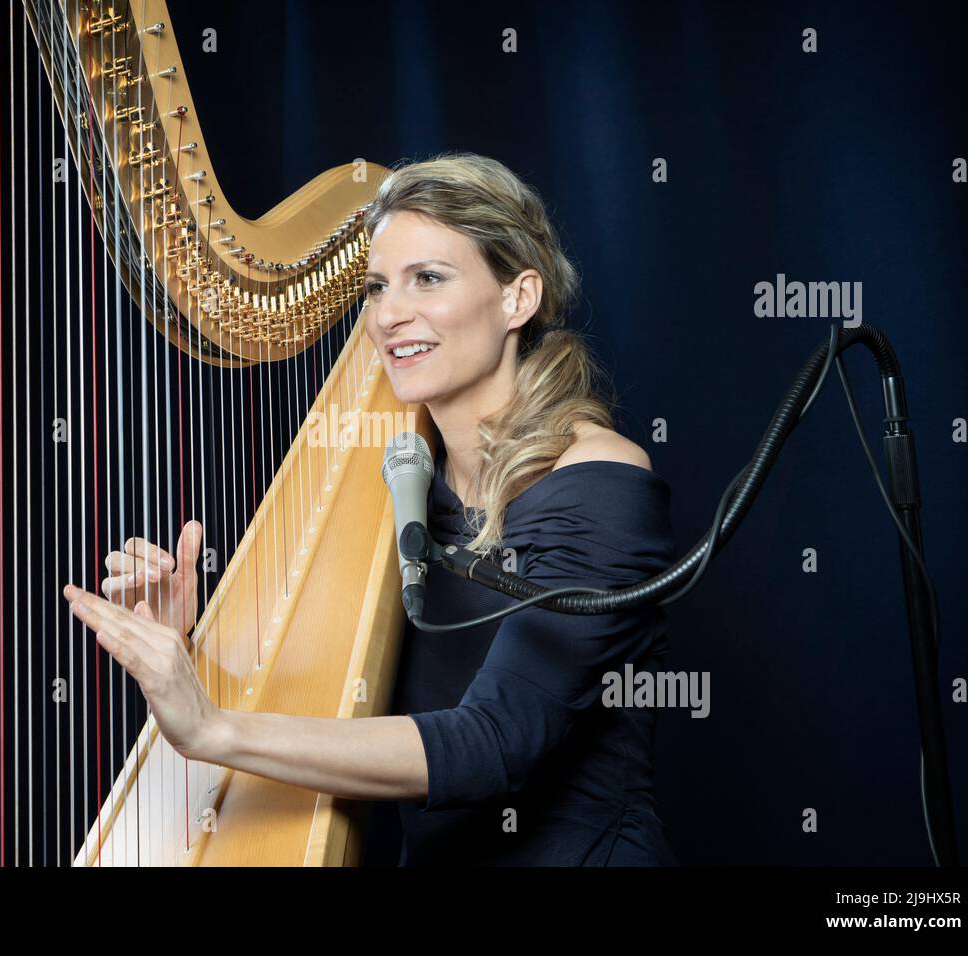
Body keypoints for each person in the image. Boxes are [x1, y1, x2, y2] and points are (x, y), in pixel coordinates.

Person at [63, 151, 679, 866]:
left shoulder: (602, 484)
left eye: (429, 279)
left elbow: (495, 744)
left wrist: (214, 728)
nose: (389, 315)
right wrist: (192, 655)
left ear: (519, 298)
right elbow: (318, 706)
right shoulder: (404, 474)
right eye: (377, 286)